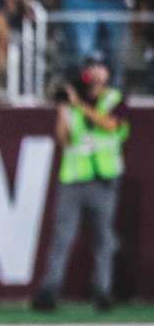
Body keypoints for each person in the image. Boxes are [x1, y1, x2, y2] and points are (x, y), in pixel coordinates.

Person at [33, 53, 129, 312]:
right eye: (91, 67)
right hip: (74, 177)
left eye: (101, 67)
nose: (96, 72)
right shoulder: (72, 100)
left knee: (104, 238)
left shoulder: (115, 99)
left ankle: (103, 291)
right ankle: (49, 291)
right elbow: (63, 140)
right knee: (62, 237)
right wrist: (64, 111)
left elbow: (111, 125)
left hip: (104, 178)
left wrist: (78, 104)